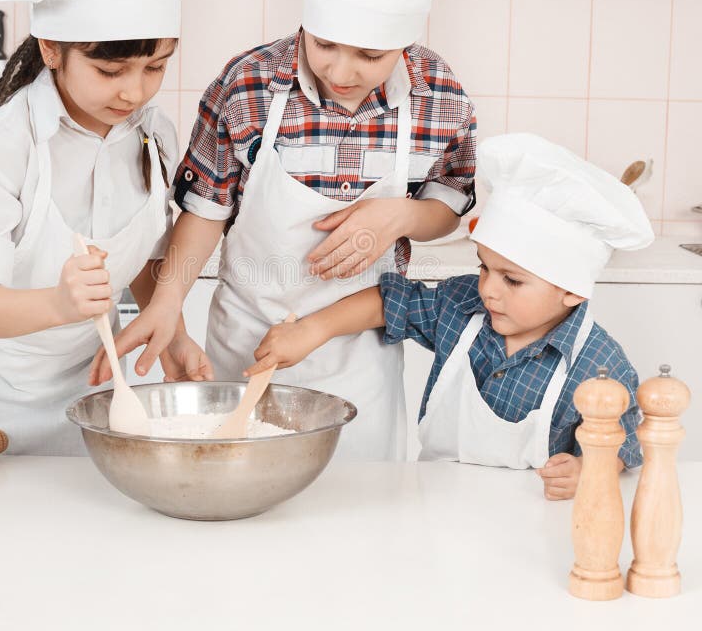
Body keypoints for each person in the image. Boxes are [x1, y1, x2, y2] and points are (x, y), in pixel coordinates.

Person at [93, 0, 477, 461]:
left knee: (355, 513)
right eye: (323, 44)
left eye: (369, 55)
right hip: (244, 342)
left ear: (404, 41)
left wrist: (400, 216)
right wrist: (167, 299)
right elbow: (205, 209)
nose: (341, 72)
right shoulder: (250, 82)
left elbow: (449, 201)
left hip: (360, 352)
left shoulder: (436, 92)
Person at [0, 0, 207, 455]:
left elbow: (148, 263)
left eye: (155, 67)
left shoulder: (154, 135)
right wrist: (60, 303)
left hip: (97, 393)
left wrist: (170, 334)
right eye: (111, 71)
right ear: (53, 49)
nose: (134, 91)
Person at [246, 134, 654, 497]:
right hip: (434, 514)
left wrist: (587, 469)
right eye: (484, 267)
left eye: (511, 280)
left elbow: (626, 442)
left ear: (571, 291)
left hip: (532, 528)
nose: (488, 288)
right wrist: (312, 330)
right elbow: (390, 303)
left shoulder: (601, 365)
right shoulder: (462, 307)